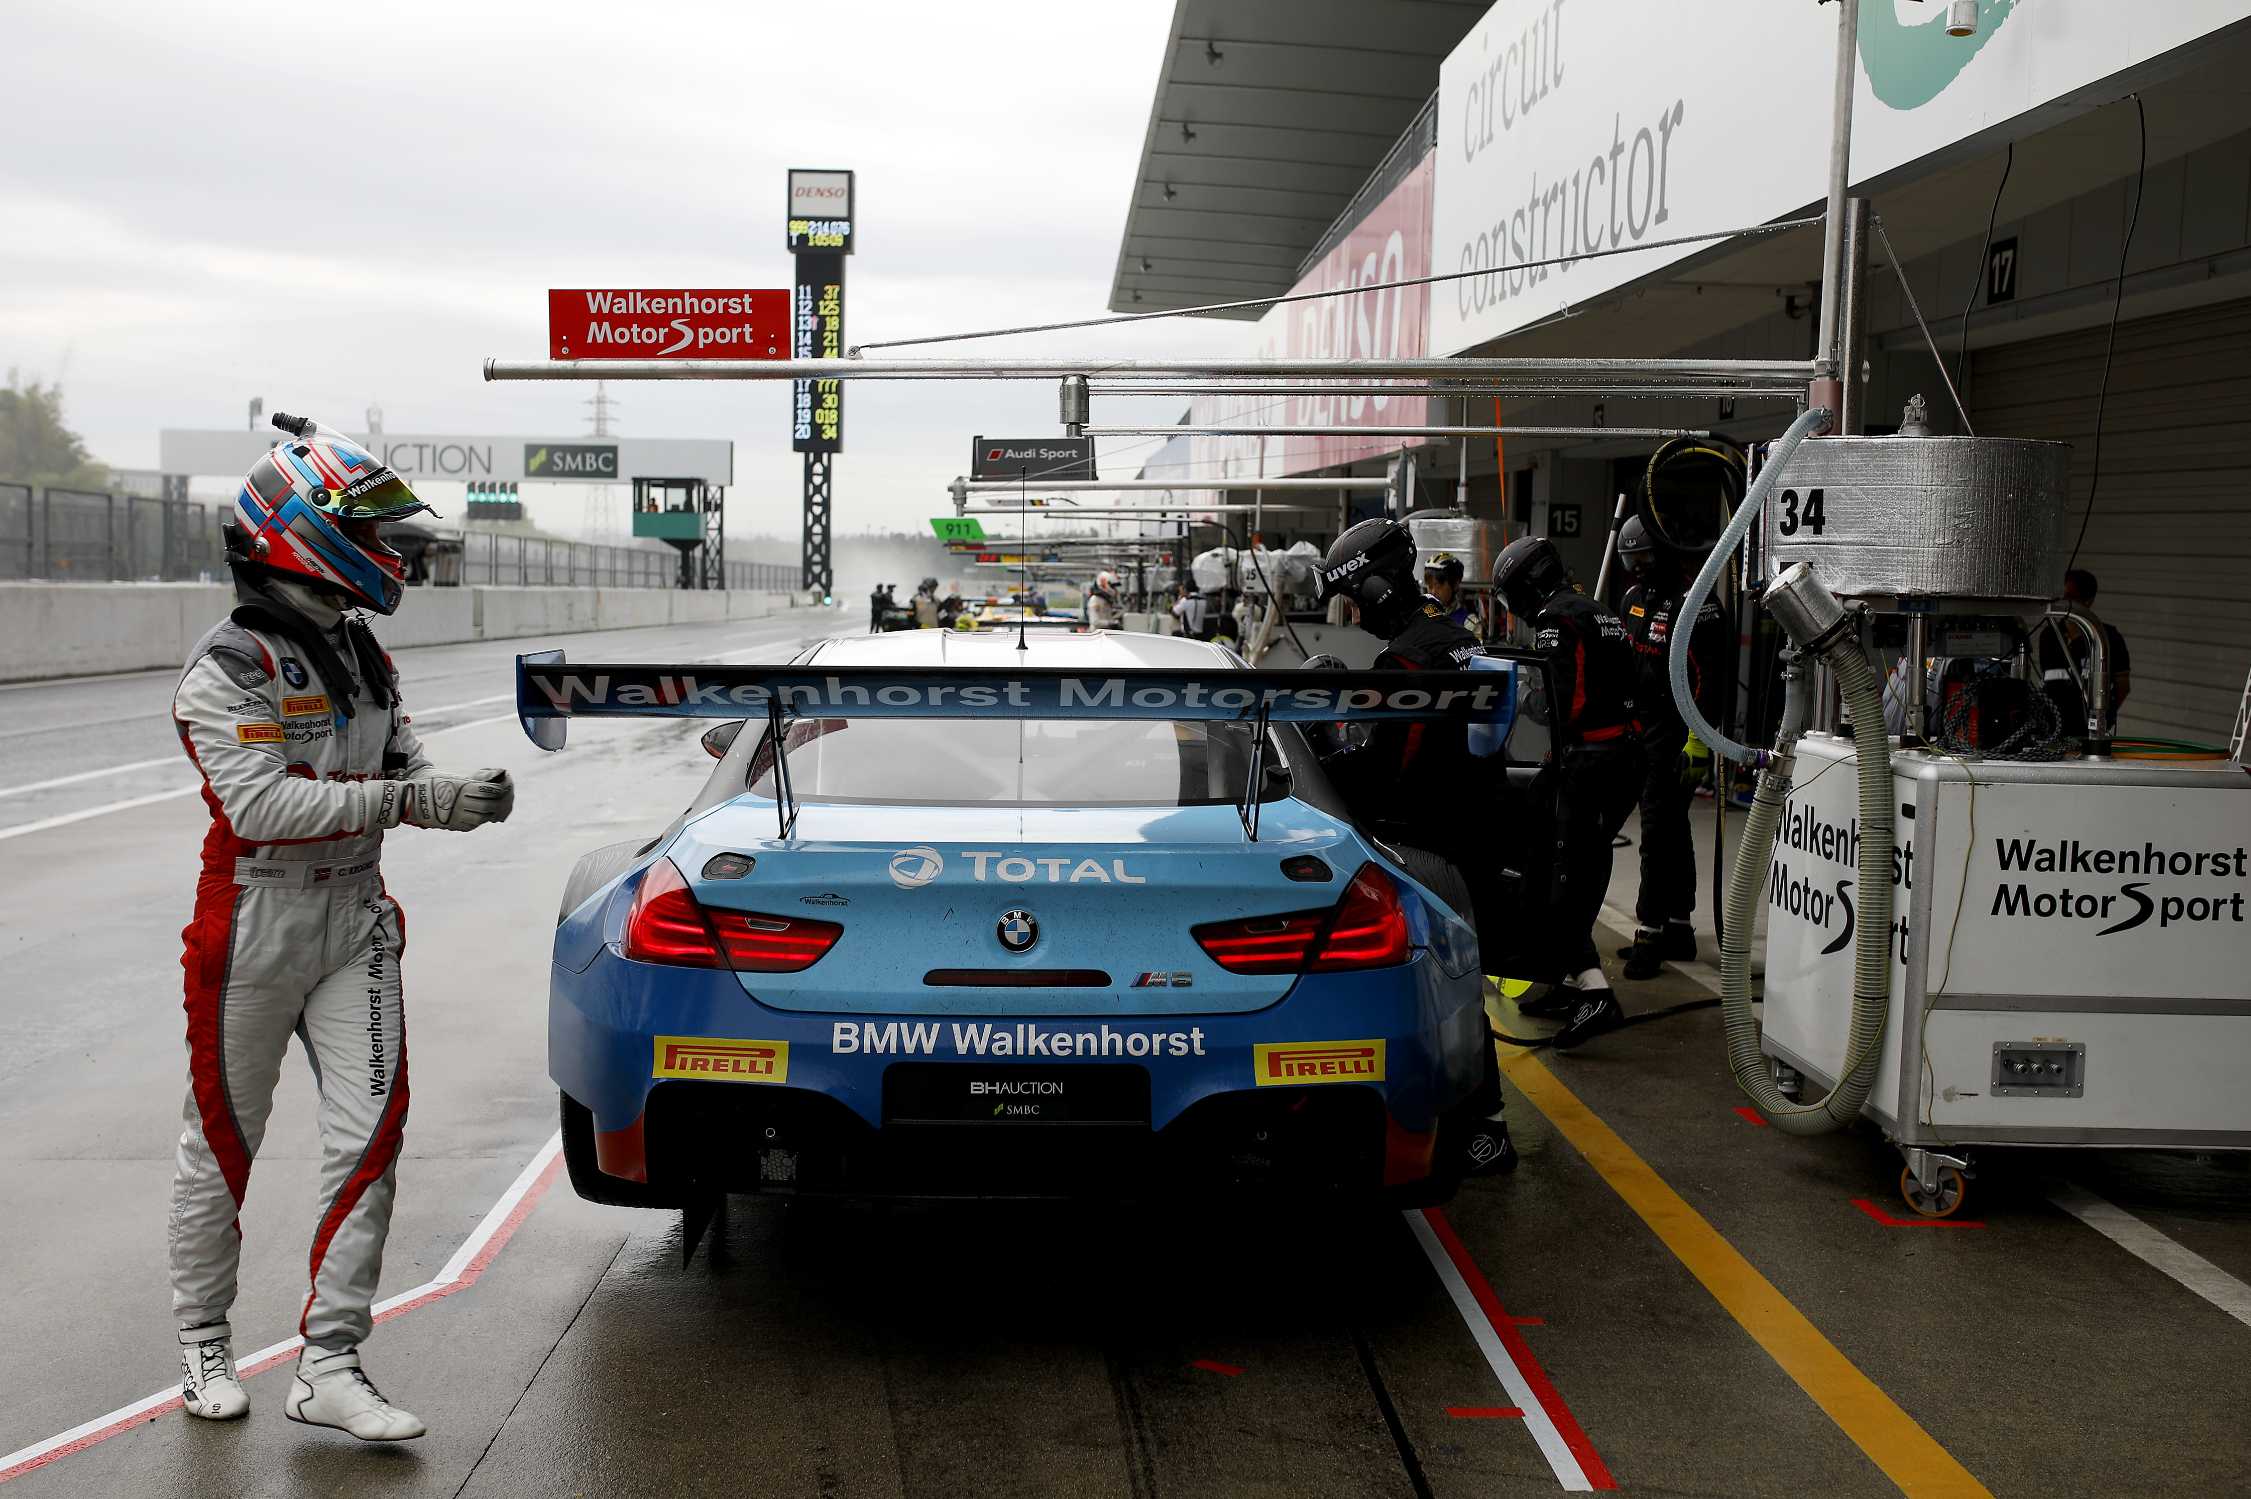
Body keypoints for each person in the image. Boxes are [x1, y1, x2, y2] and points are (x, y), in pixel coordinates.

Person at [170, 415, 514, 1441]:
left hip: (356, 915)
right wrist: (409, 800)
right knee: (224, 1140)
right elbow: (262, 807)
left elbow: (400, 766)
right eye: (371, 527)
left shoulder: (364, 650)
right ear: (298, 532)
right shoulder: (225, 666)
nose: (395, 548)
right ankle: (202, 1340)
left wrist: (453, 794)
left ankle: (330, 1363)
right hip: (253, 921)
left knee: (368, 1139)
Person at [1313, 517, 1515, 1176]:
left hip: (1427, 845)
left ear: (1371, 585)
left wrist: (1327, 740)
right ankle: (1480, 1119)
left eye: (1351, 598)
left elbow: (1385, 773)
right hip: (1477, 829)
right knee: (1466, 982)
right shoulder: (1455, 638)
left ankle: (1483, 1126)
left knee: (1442, 988)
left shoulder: (1403, 661)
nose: (1353, 611)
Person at [1493, 535, 1646, 1050]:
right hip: (1622, 756)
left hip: (1593, 762)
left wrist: (1529, 704)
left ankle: (1593, 994)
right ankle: (1564, 977)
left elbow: (1564, 704)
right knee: (1573, 865)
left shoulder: (1557, 619)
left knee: (1561, 873)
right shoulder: (1599, 611)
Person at [1614, 516, 1727, 979]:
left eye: (1642, 558)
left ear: (1661, 553)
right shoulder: (1634, 600)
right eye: (1629, 559)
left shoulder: (1698, 603)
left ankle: (1649, 931)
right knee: (1672, 829)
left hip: (1682, 731)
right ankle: (1679, 925)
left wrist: (1700, 741)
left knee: (1658, 832)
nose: (1636, 568)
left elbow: (1711, 681)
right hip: (1643, 728)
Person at [2039, 567, 2131, 736]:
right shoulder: (2049, 635)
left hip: (2088, 733)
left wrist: (2103, 717)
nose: (2063, 603)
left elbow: (2123, 686)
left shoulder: (2107, 638)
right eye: (2061, 596)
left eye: (2070, 597)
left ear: (2088, 601)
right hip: (2052, 730)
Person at [1423, 552, 1475, 636]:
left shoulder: (1469, 623)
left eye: (1438, 586)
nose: (1433, 592)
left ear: (1455, 585)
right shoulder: (1421, 617)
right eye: (1430, 586)